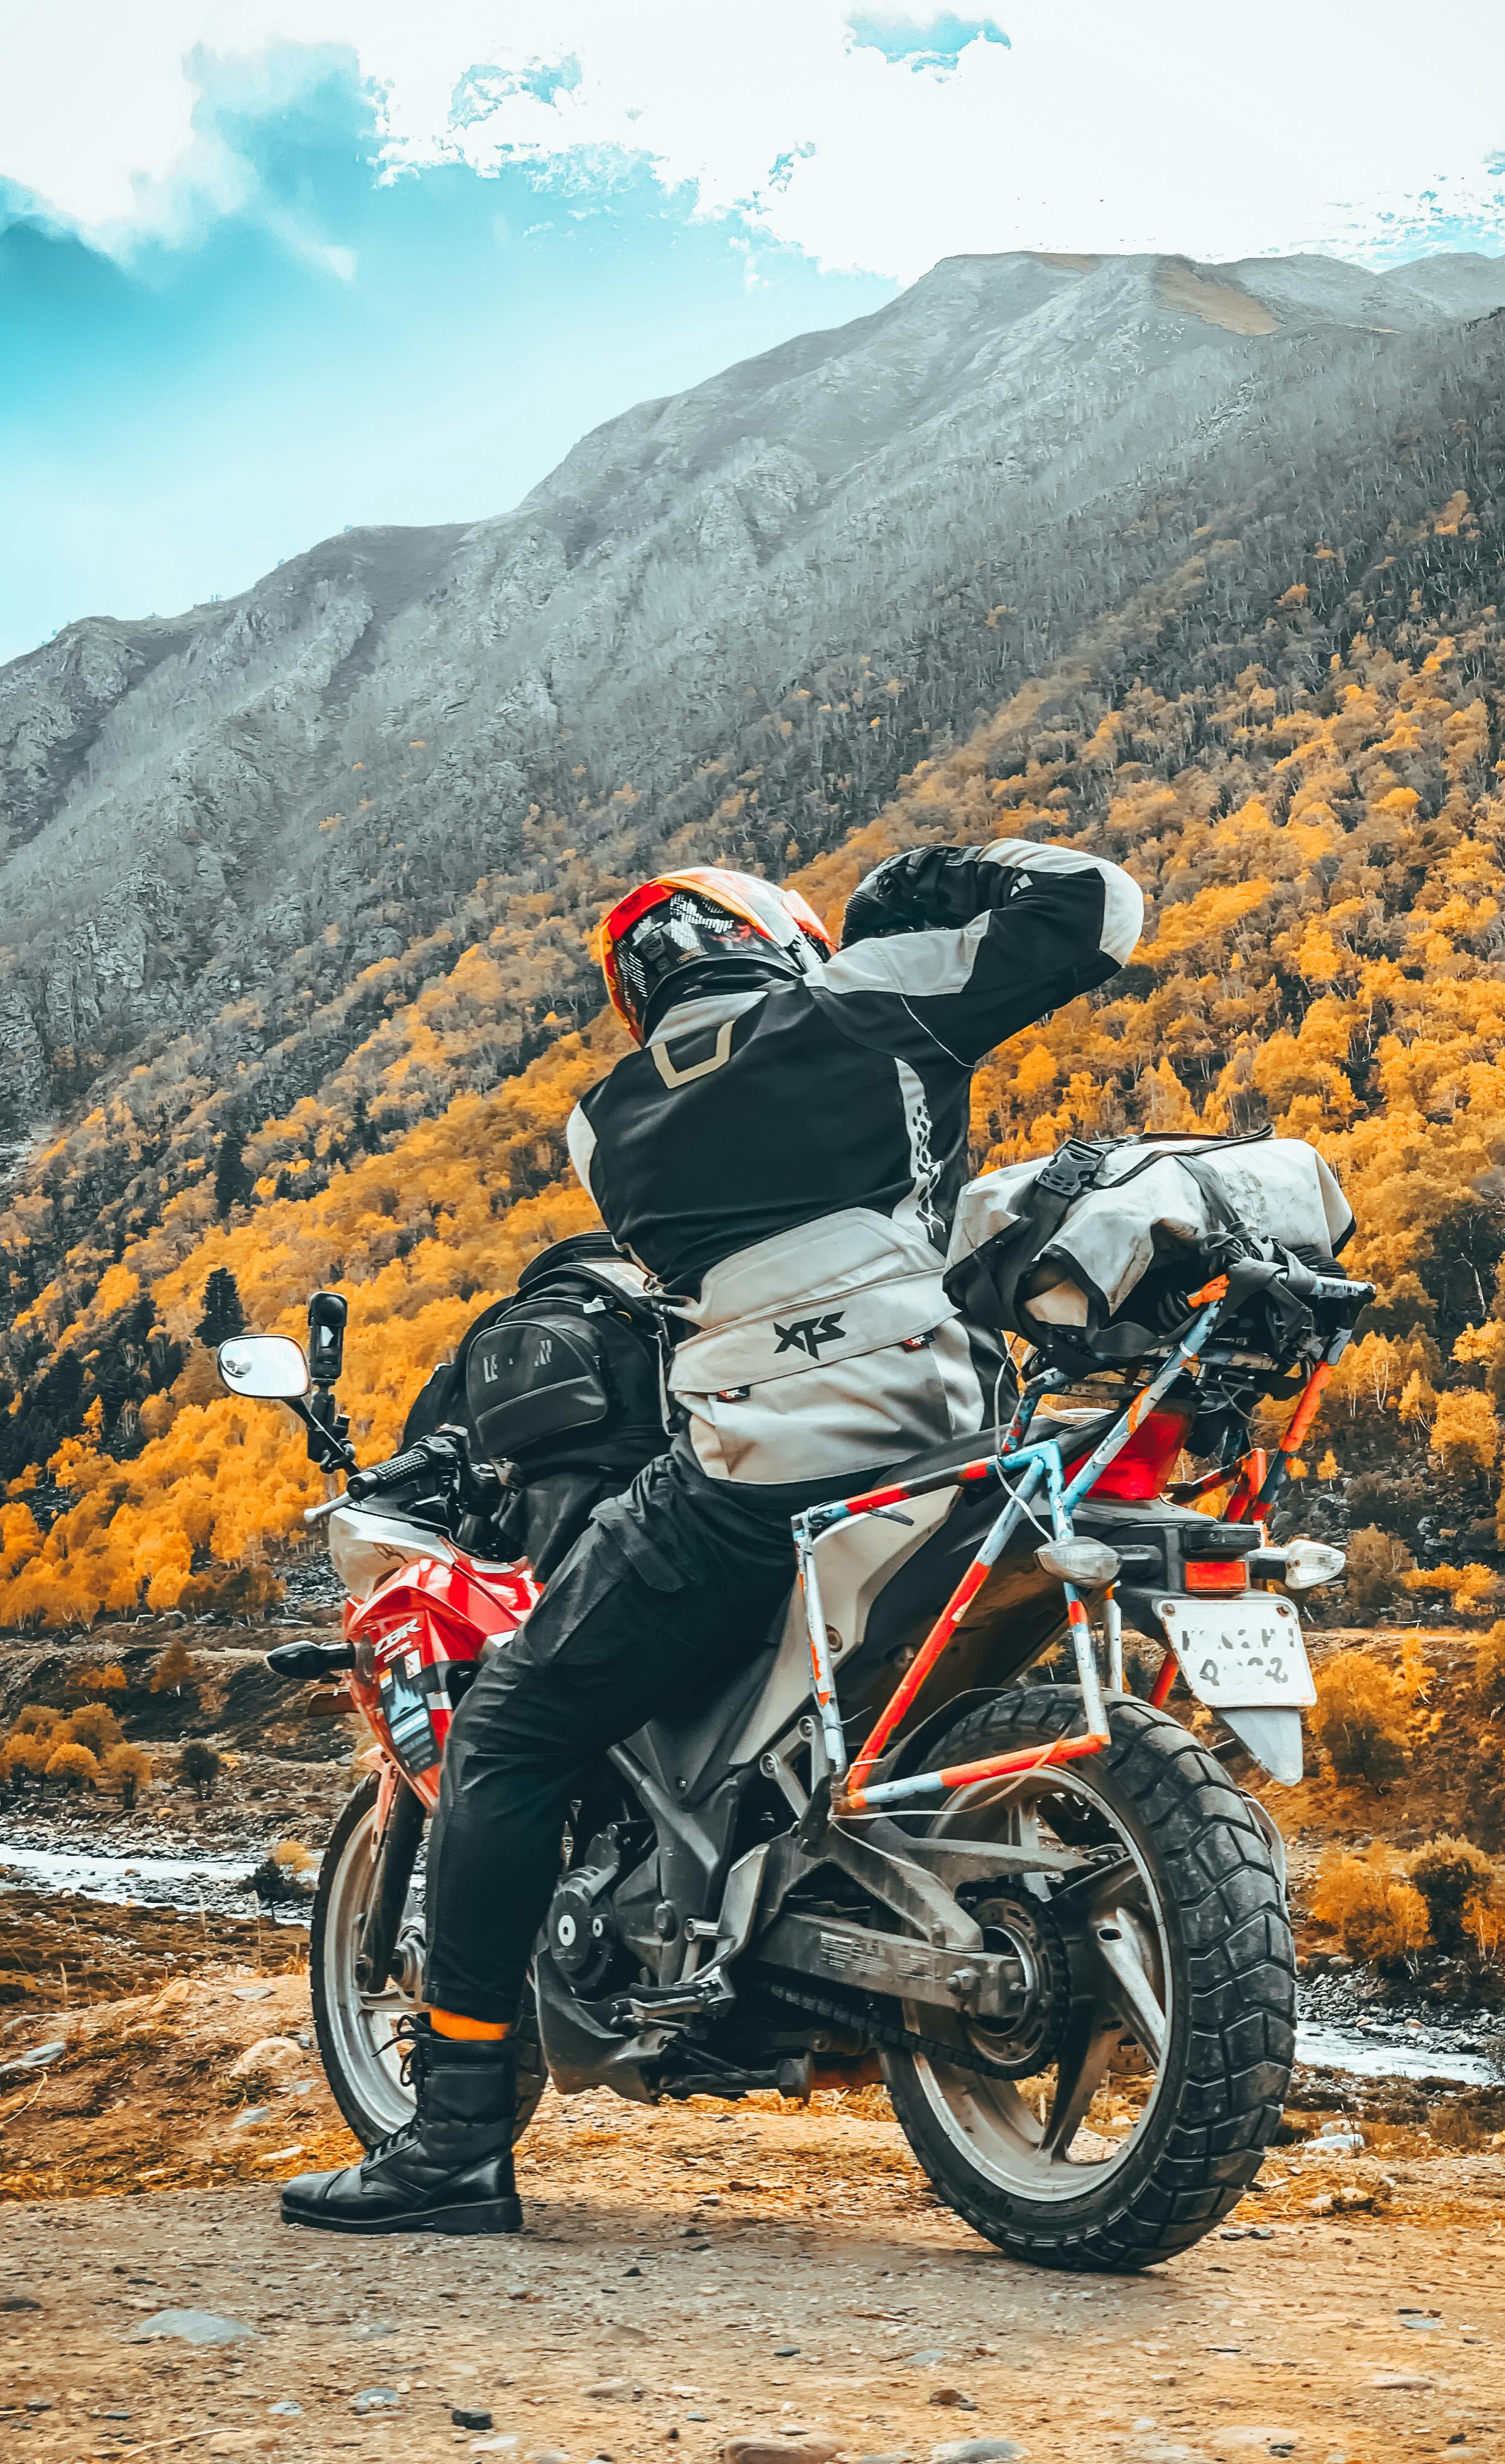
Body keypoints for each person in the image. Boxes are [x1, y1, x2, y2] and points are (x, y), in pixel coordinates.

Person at [280, 837, 1143, 2234]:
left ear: (638, 988)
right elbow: (1102, 904)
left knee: (505, 1737)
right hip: (958, 1450)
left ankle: (448, 2148)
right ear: (780, 944)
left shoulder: (604, 1124)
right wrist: (927, 882)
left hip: (755, 1492)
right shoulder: (876, 1008)